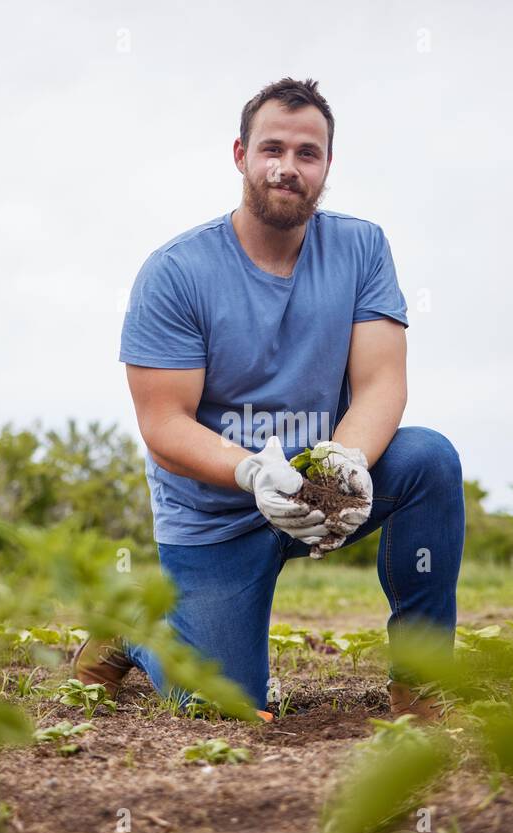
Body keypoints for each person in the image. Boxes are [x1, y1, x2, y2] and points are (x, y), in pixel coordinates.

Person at [76, 77, 464, 721]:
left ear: (327, 165)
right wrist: (252, 471)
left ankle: (421, 684)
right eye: (272, 149)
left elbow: (381, 383)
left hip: (317, 481)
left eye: (308, 153)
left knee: (428, 458)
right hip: (216, 513)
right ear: (240, 156)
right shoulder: (176, 272)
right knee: (229, 709)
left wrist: (345, 464)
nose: (288, 168)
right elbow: (163, 424)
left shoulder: (362, 247)